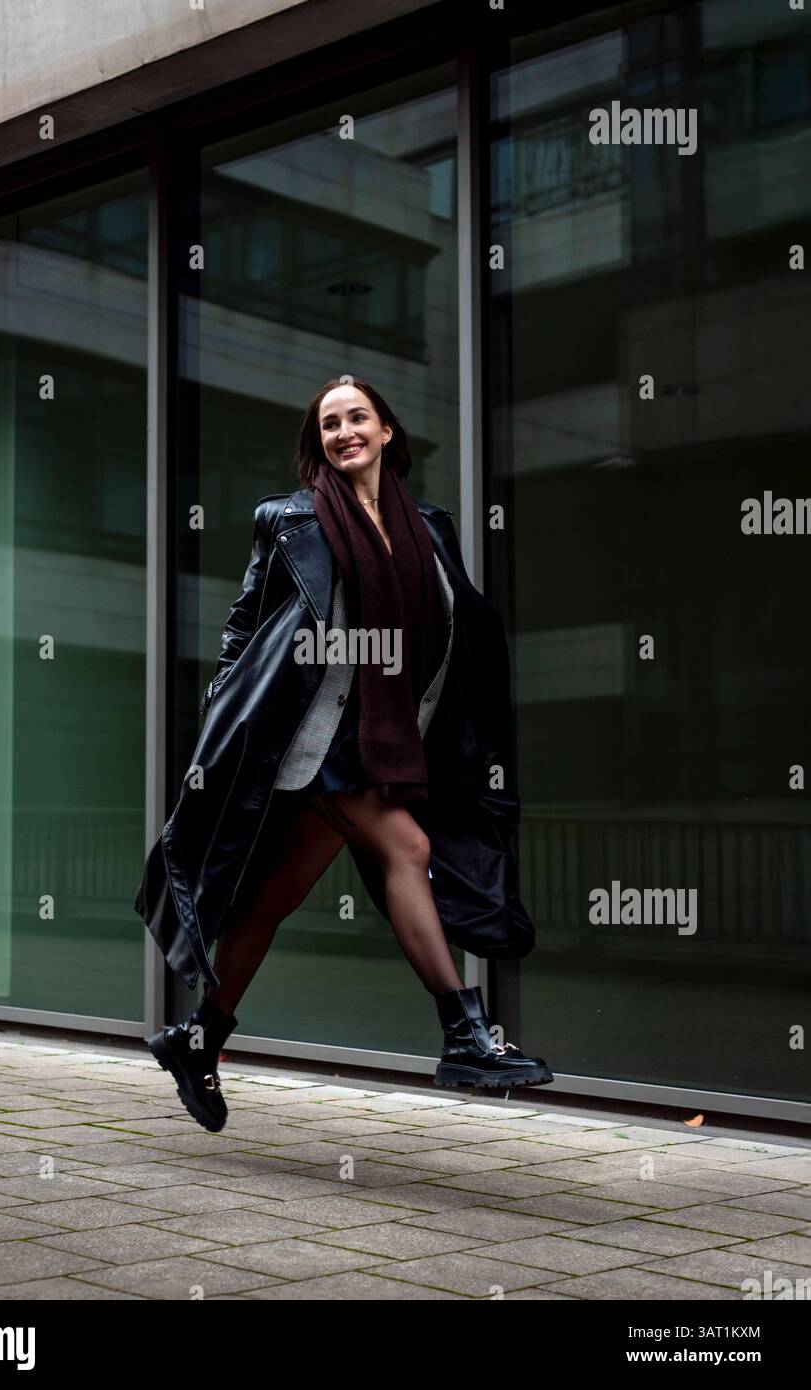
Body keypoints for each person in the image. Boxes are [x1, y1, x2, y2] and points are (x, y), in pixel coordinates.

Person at [139, 377, 552, 1132]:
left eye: (357, 417)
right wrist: (225, 717)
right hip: (309, 736)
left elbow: (451, 626)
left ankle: (196, 1040)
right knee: (409, 846)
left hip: (387, 733)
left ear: (386, 431)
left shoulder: (427, 526)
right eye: (329, 423)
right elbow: (243, 627)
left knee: (273, 900)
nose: (343, 431)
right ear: (320, 443)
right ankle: (465, 1032)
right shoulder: (288, 520)